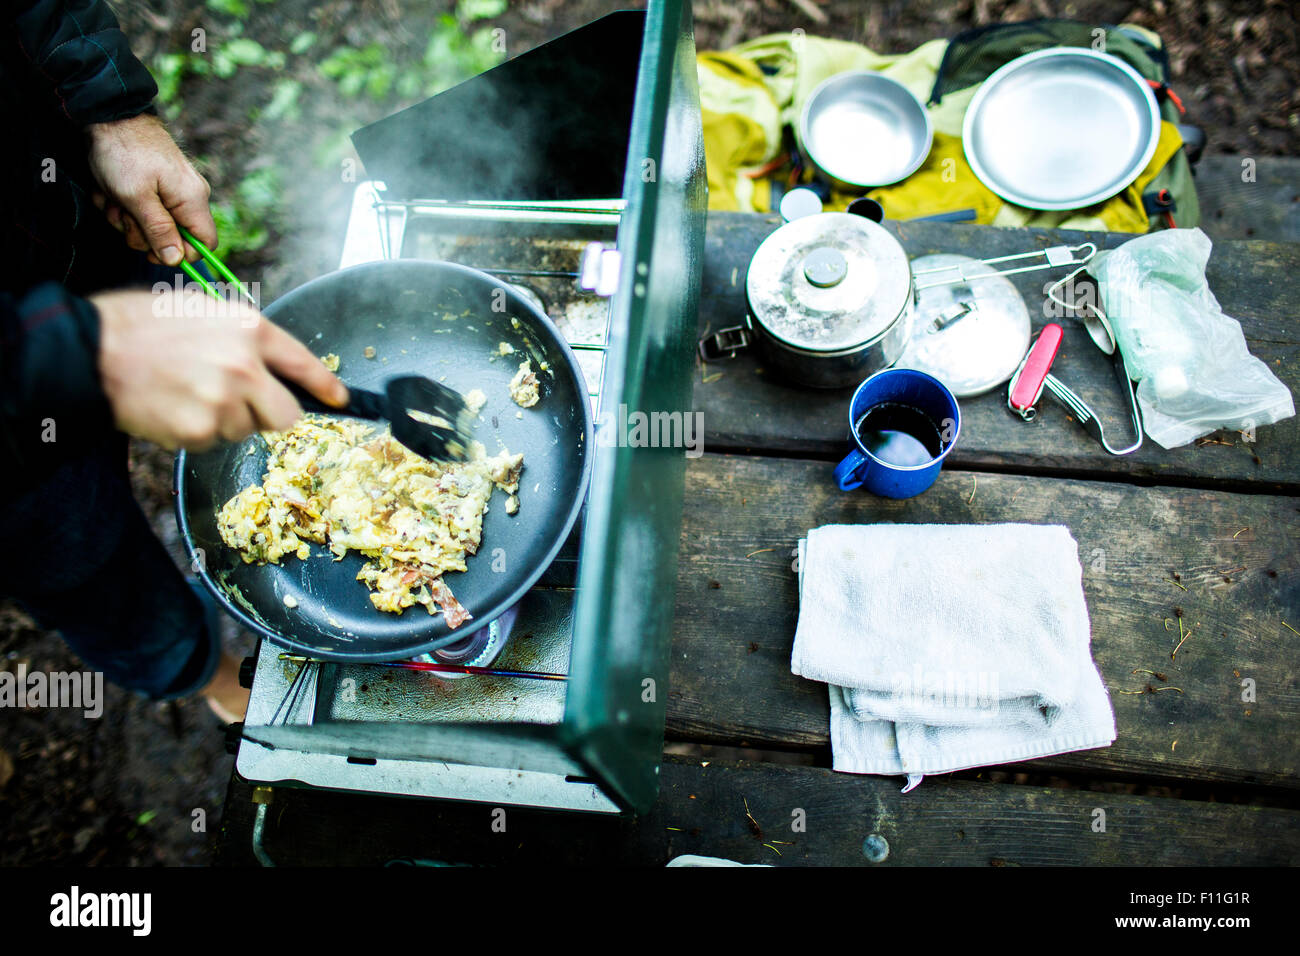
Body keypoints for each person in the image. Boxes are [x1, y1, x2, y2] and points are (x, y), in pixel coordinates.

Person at [0, 1, 348, 720]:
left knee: (188, 304)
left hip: (59, 203)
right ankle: (214, 681)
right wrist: (57, 357)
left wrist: (108, 107)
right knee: (83, 553)